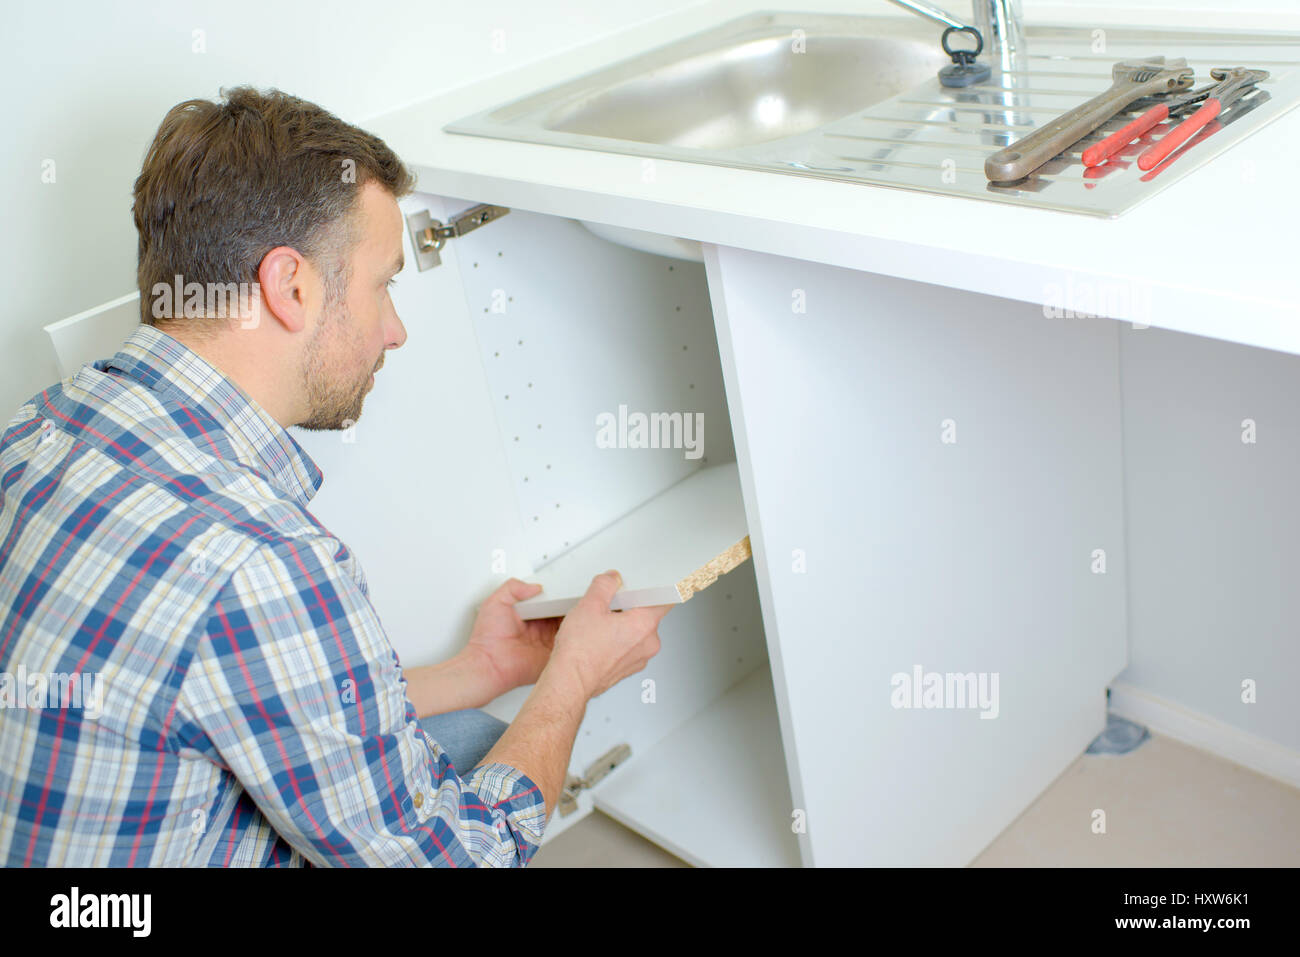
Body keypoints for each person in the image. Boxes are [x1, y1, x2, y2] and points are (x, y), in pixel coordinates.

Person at [0, 86, 669, 867]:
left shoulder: (36, 429)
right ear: (290, 287)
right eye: (383, 282)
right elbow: (455, 861)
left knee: (460, 733)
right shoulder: (259, 559)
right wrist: (573, 679)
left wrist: (478, 671)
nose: (396, 329)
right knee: (482, 771)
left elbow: (258, 699)